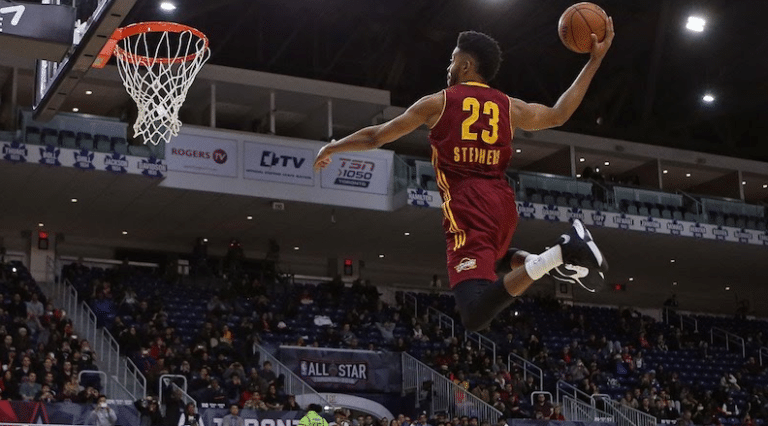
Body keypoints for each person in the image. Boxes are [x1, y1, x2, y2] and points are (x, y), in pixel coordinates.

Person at [313, 27, 613, 332]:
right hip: (503, 202)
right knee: (495, 259)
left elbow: (376, 136)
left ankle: (559, 254)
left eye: (452, 60)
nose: (448, 67)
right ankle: (550, 261)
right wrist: (594, 62)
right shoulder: (509, 106)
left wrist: (332, 146)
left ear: (466, 65)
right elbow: (558, 114)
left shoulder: (438, 102)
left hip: (468, 204)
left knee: (474, 315)